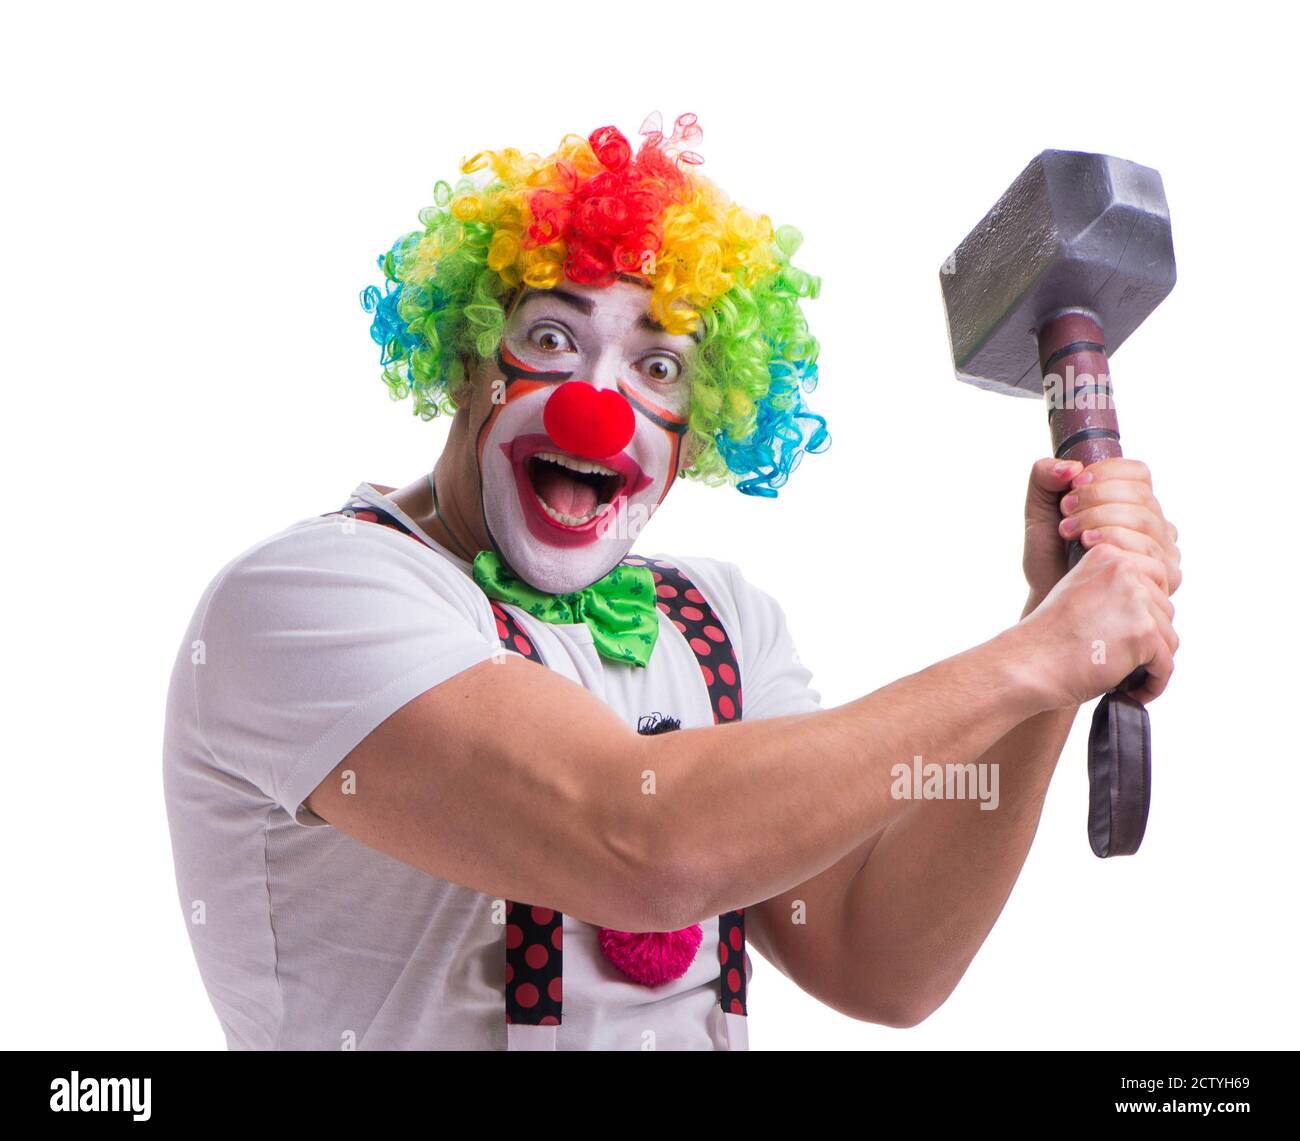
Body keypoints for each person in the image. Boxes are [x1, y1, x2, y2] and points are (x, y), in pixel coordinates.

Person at [162, 111, 1181, 1051]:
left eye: (659, 370)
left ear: (701, 425)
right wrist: (1031, 656)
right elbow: (640, 842)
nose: (597, 408)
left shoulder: (716, 620)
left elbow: (880, 962)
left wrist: (1054, 659)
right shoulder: (308, 596)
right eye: (552, 339)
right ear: (469, 355)